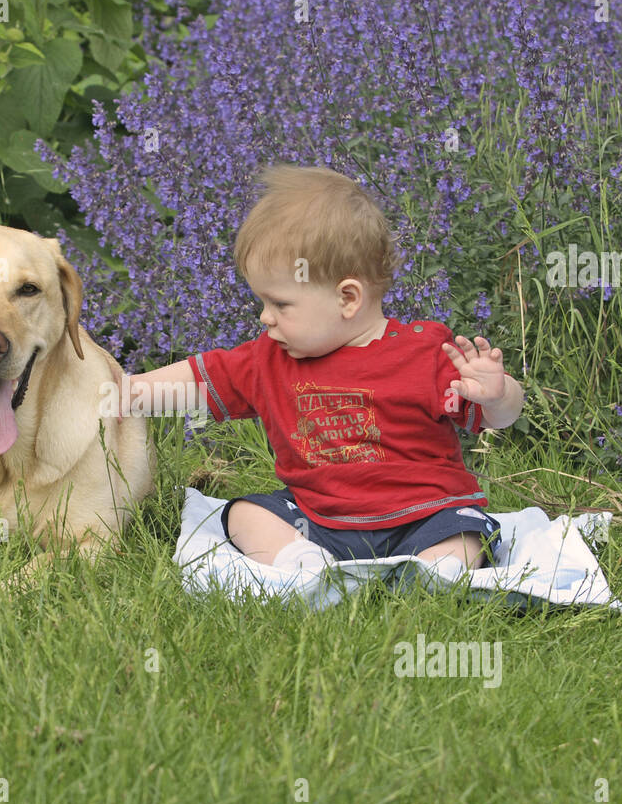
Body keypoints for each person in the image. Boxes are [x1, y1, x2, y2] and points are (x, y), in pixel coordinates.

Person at [117, 164, 525, 576]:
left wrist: (498, 394)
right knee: (244, 514)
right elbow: (201, 381)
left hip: (423, 515)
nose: (265, 317)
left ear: (347, 298)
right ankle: (303, 564)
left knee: (465, 534)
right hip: (316, 520)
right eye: (263, 302)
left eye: (280, 304)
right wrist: (126, 391)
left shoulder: (425, 353)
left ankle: (434, 572)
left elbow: (498, 418)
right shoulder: (269, 359)